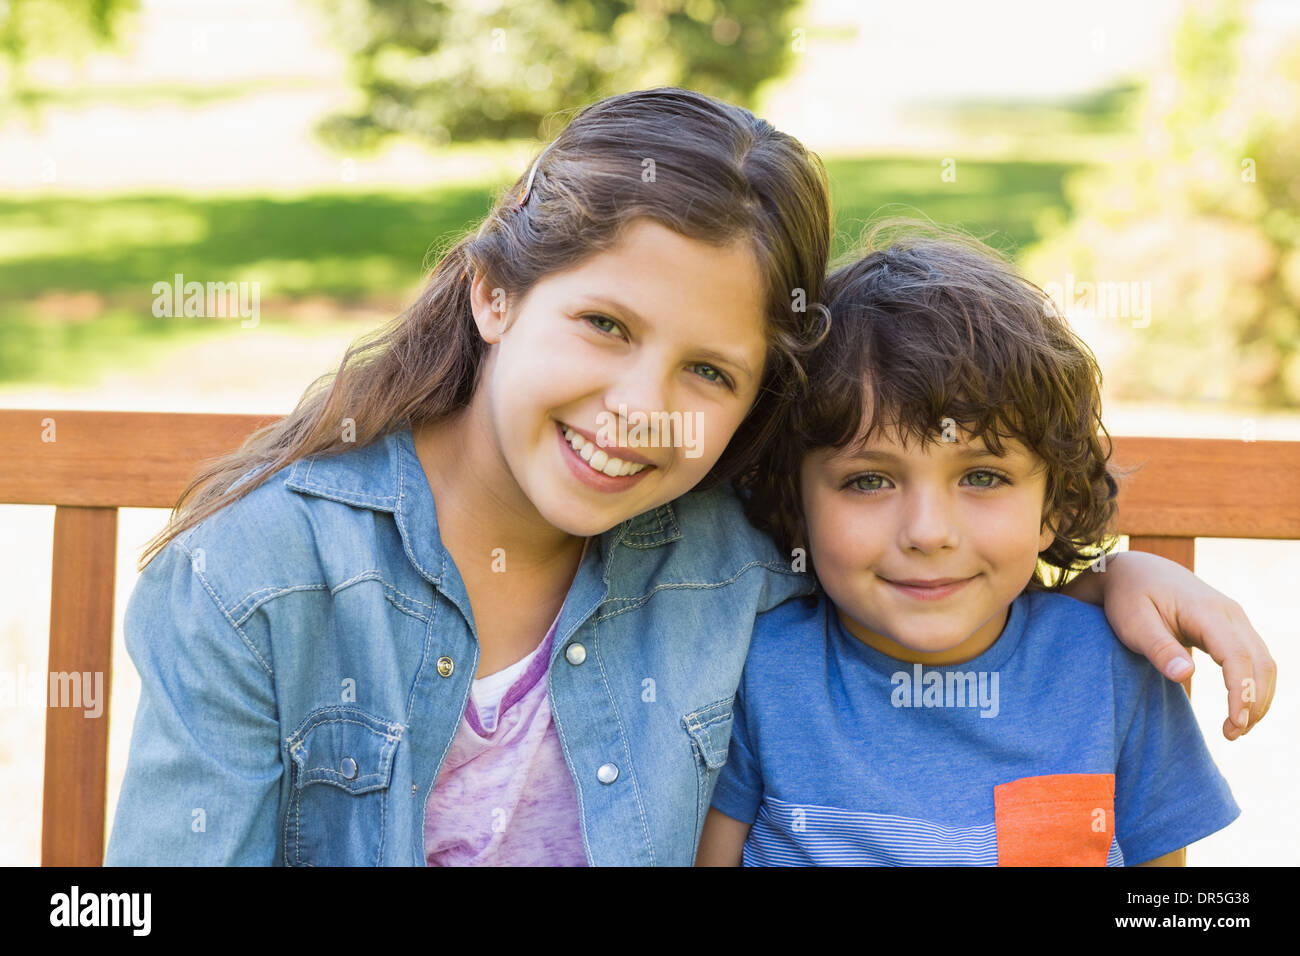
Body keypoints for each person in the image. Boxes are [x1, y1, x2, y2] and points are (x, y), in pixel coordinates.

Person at [105, 91, 1272, 867]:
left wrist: (1102, 580)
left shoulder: (732, 556)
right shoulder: (260, 579)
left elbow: (924, 578)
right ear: (493, 291)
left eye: (708, 369)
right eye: (604, 323)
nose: (640, 409)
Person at [697, 229, 1245, 866]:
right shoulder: (762, 673)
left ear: (1056, 505)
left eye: (983, 477)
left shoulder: (1113, 674)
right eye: (868, 480)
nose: (929, 531)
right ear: (796, 506)